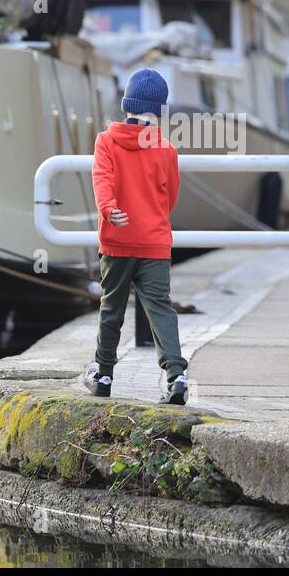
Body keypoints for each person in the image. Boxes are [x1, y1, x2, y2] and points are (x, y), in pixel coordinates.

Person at [83, 69, 188, 405]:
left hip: (117, 241)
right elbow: (170, 196)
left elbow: (102, 181)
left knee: (111, 307)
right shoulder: (166, 149)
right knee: (160, 309)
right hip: (154, 243)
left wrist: (110, 210)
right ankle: (176, 376)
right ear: (158, 111)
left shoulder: (106, 141)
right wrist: (153, 218)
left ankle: (103, 374)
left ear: (126, 104)